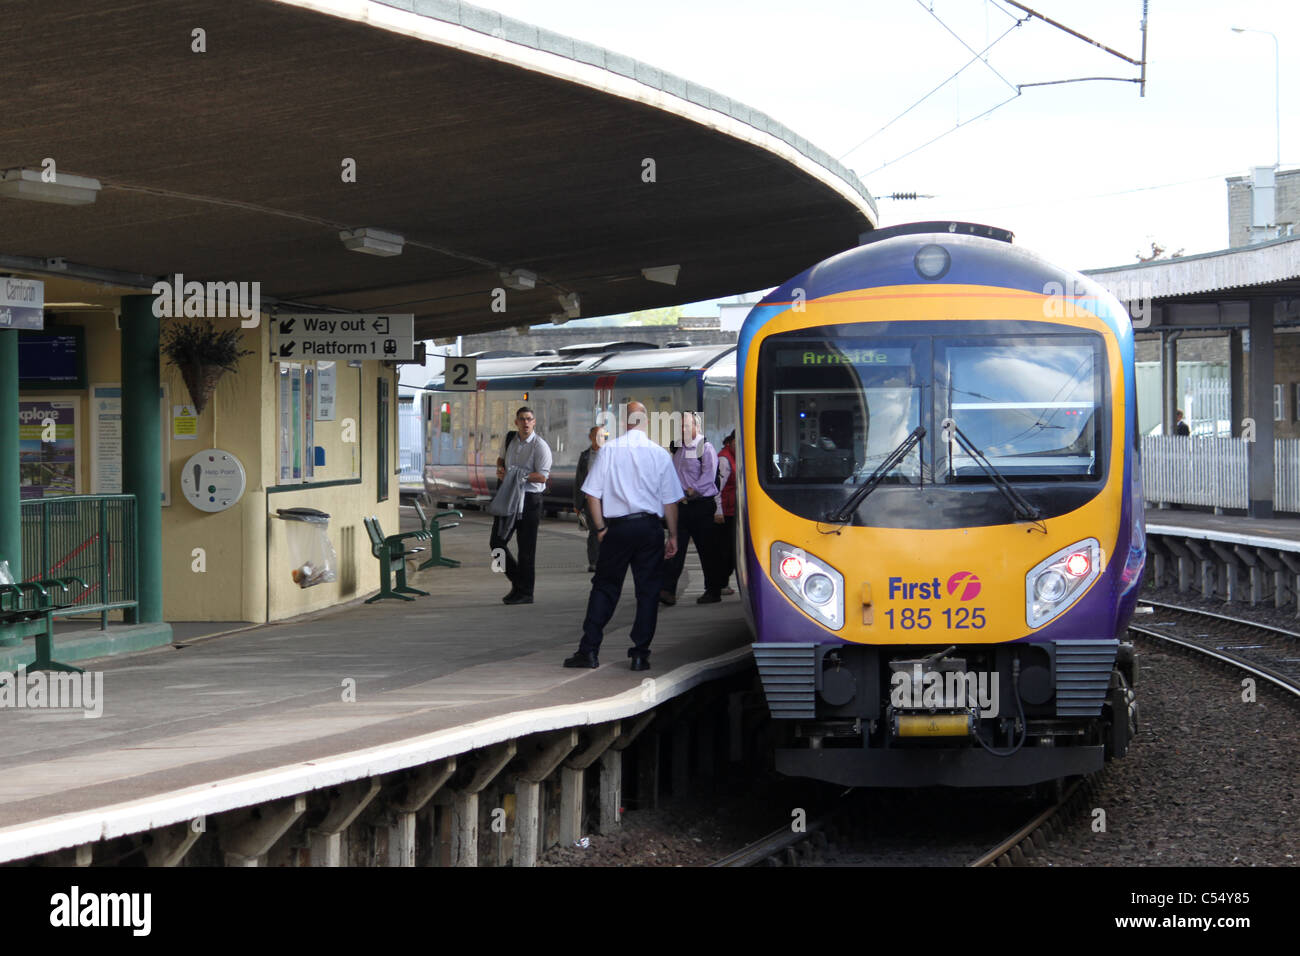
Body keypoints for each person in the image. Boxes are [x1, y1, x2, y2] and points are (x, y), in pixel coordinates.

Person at [564, 401, 682, 671]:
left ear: (624, 422)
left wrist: (601, 528)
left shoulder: (609, 451)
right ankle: (640, 655)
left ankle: (589, 651)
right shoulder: (659, 454)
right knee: (648, 592)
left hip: (618, 528)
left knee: (605, 587)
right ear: (645, 422)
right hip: (650, 528)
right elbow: (670, 502)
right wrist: (672, 536)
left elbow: (592, 495)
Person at [660, 411, 725, 605]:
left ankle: (713, 591)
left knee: (707, 550)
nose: (683, 429)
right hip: (681, 507)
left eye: (686, 426)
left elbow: (708, 476)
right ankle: (667, 590)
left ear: (696, 427)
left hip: (700, 506)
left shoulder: (705, 448)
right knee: (674, 548)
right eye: (680, 426)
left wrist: (691, 491)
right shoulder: (678, 448)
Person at [491, 406, 552, 605]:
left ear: (534, 422)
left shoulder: (540, 446)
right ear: (516, 422)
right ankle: (519, 583)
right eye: (522, 419)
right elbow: (501, 459)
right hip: (508, 498)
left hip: (530, 501)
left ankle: (525, 593)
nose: (526, 423)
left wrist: (516, 475)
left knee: (526, 551)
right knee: (495, 545)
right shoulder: (509, 439)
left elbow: (542, 476)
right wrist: (501, 468)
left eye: (529, 419)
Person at [574, 425, 606, 572]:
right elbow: (579, 479)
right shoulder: (585, 455)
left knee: (608, 530)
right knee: (594, 531)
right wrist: (577, 503)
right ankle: (594, 561)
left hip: (607, 499)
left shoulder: (610, 453)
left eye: (602, 436)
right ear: (591, 437)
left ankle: (608, 560)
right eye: (596, 435)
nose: (599, 438)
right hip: (590, 499)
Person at [714, 430, 737, 595]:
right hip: (725, 513)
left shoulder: (734, 457)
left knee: (729, 549)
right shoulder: (724, 459)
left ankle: (722, 582)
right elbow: (717, 488)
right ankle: (720, 582)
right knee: (726, 550)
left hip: (732, 510)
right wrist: (718, 510)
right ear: (731, 441)